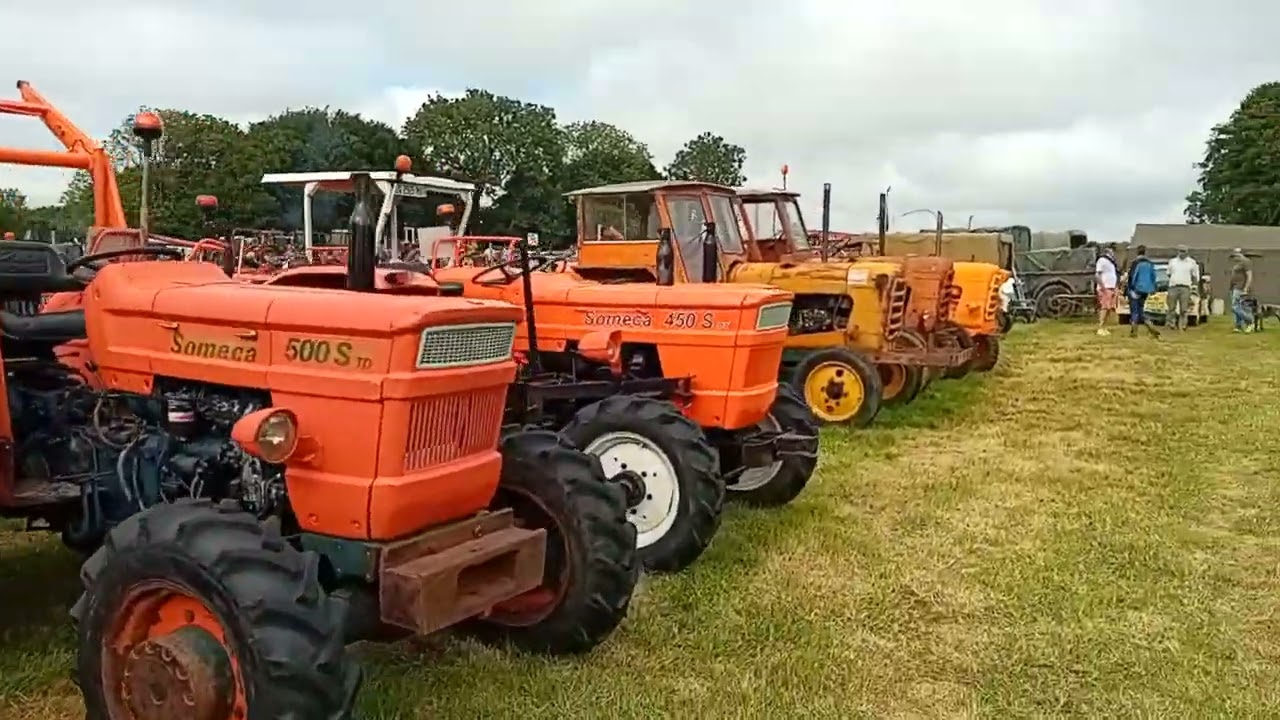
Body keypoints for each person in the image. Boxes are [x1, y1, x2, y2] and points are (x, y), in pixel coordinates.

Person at [1124, 245, 1161, 338]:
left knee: (1134, 310)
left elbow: (1132, 277)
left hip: (1136, 289)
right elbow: (1153, 277)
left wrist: (1130, 288)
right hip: (1147, 290)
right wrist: (1153, 288)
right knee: (1141, 309)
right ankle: (1151, 327)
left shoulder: (1136, 263)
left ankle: (1134, 332)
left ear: (1137, 252)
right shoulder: (1150, 263)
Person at [1165, 245, 1199, 331]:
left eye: (1183, 251)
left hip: (1185, 287)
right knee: (1171, 307)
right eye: (1180, 251)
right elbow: (1168, 273)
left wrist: (1194, 286)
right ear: (1178, 251)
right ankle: (1171, 324)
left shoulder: (1192, 262)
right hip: (1173, 286)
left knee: (1184, 308)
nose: (1181, 253)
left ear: (1187, 252)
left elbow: (1195, 276)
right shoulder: (1172, 261)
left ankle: (1183, 324)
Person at [1229, 248, 1255, 333]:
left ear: (1240, 254)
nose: (1234, 258)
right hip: (1235, 287)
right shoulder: (1237, 264)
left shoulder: (1246, 262)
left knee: (1236, 307)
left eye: (1235, 255)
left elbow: (1249, 276)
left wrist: (1246, 288)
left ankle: (1250, 321)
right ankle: (1238, 326)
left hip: (1241, 288)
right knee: (1238, 306)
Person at [1095, 245, 1119, 335]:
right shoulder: (1102, 260)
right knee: (1104, 307)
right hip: (1105, 287)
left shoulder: (1111, 262)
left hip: (1111, 287)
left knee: (1109, 308)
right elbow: (1097, 274)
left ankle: (1104, 327)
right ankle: (1100, 327)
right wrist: (1103, 287)